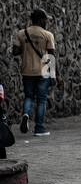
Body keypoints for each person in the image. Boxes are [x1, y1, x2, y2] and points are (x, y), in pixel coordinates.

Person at [11, 8, 56, 137]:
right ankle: (39, 128)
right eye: (45, 19)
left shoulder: (21, 33)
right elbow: (51, 56)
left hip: (27, 71)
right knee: (41, 100)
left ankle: (25, 114)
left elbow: (15, 51)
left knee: (29, 96)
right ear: (41, 20)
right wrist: (54, 75)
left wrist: (26, 47)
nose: (46, 22)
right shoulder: (48, 35)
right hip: (43, 72)